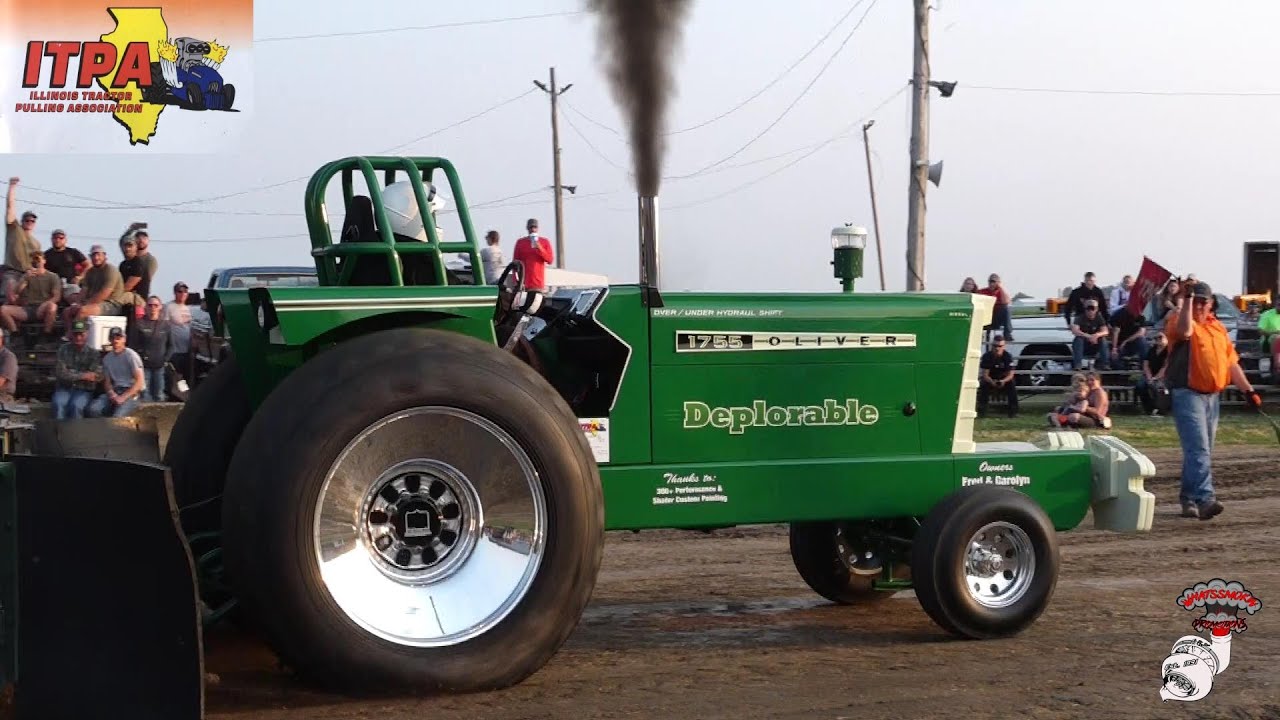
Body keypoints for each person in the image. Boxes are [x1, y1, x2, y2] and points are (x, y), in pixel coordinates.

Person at [1163, 281, 1262, 520]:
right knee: (1199, 449)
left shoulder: (1218, 329)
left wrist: (1248, 391)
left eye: (1201, 301)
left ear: (1211, 304)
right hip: (1188, 394)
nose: (1198, 305)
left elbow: (1231, 363)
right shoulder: (1179, 320)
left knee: (1200, 451)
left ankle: (1188, 499)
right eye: (1194, 301)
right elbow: (1185, 332)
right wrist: (1185, 301)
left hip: (1212, 396)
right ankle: (1205, 499)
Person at [85, 326, 145, 418]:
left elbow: (139, 382)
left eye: (118, 338)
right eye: (113, 338)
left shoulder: (131, 356)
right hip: (115, 390)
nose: (115, 341)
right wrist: (112, 395)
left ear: (124, 339)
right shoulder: (107, 359)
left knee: (117, 417)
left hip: (131, 393)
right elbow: (107, 382)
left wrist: (123, 397)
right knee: (93, 409)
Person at [52, 319, 102, 419]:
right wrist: (83, 375)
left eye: (81, 334)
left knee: (76, 406)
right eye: (75, 334)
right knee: (59, 404)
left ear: (87, 334)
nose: (78, 338)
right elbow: (61, 373)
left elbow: (96, 376)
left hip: (84, 390)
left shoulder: (93, 353)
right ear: (71, 334)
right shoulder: (63, 350)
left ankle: (76, 433)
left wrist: (72, 374)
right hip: (65, 388)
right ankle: (60, 432)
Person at [977, 336, 1017, 417]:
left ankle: (1013, 412)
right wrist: (992, 382)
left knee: (1012, 384)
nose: (997, 348)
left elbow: (1011, 374)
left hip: (1004, 380)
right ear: (992, 346)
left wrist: (1003, 381)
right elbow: (985, 375)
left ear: (1004, 346)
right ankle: (982, 411)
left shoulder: (1008, 356)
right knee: (983, 384)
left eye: (1000, 346)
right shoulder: (987, 356)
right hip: (990, 380)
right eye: (995, 346)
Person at [512, 218, 553, 292]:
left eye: (535, 227)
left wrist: (540, 247)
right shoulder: (520, 242)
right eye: (531, 227)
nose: (533, 229)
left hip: (538, 284)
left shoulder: (544, 242)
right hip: (523, 284)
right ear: (527, 228)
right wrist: (516, 281)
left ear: (538, 228)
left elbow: (550, 260)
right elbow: (515, 264)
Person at [1136, 331, 1170, 415]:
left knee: (1158, 387)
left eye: (1160, 337)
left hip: (1164, 376)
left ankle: (1160, 409)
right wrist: (1149, 377)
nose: (1158, 339)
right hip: (1150, 375)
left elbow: (1165, 367)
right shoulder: (1152, 349)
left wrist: (1156, 378)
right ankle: (1148, 408)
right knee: (1140, 386)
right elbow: (1146, 364)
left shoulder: (1169, 350)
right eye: (1156, 338)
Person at [977, 273, 1013, 341]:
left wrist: (1000, 288)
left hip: (996, 319)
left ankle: (1007, 333)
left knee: (1006, 308)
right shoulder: (982, 292)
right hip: (985, 319)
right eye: (990, 281)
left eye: (993, 281)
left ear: (998, 283)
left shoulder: (1001, 293)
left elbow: (1006, 301)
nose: (991, 283)